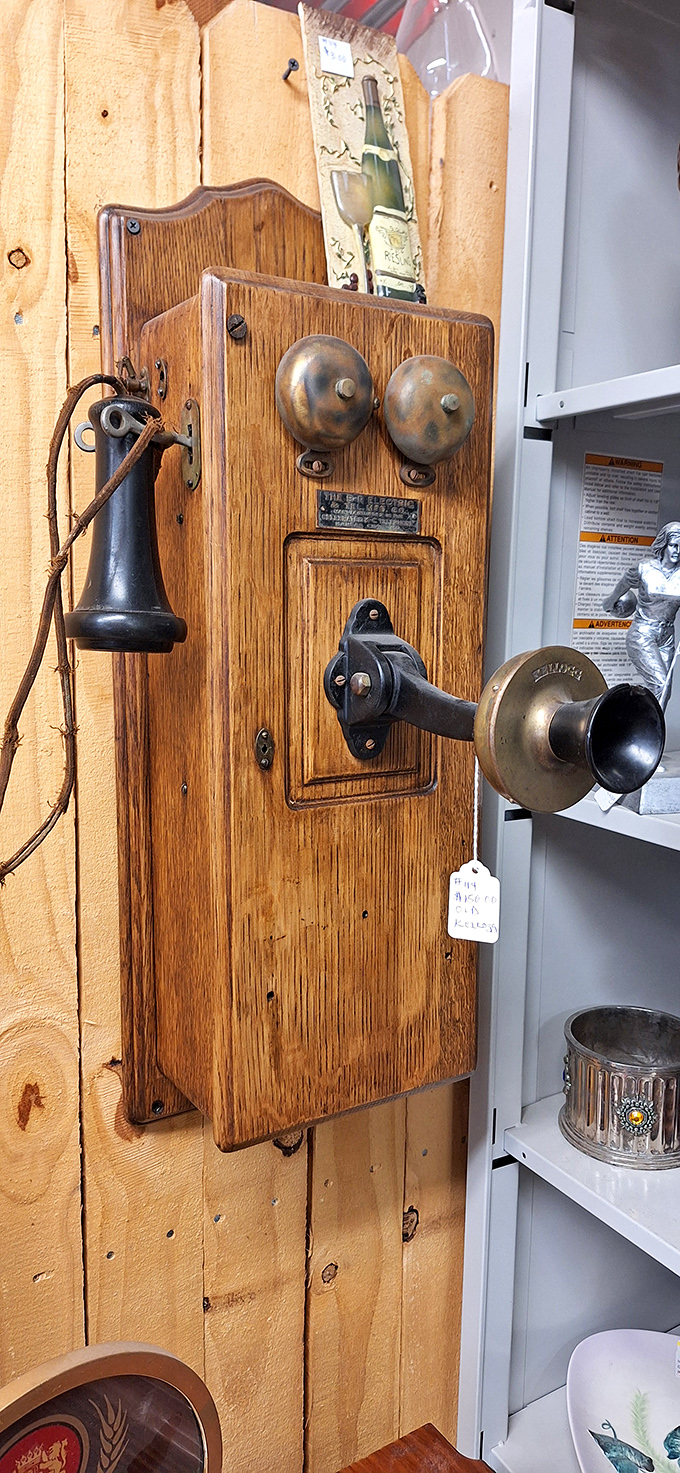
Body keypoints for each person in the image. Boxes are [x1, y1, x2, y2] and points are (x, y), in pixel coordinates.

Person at [603, 522, 680, 709]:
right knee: (660, 684)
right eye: (673, 545)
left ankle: (649, 724)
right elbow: (622, 586)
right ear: (664, 544)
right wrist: (609, 603)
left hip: (667, 636)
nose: (677, 551)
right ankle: (646, 724)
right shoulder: (644, 568)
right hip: (643, 633)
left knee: (664, 691)